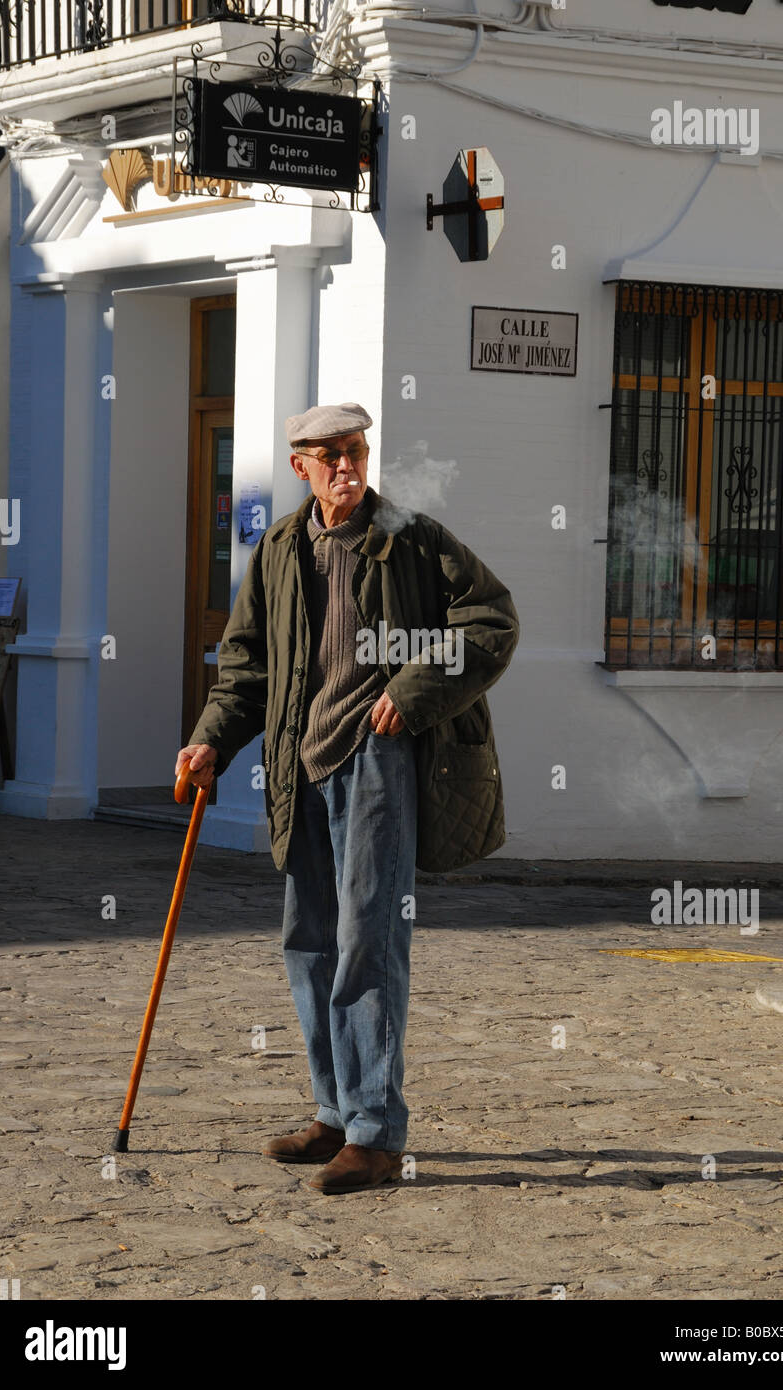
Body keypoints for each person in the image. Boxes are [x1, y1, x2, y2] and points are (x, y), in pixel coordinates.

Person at [176, 402, 519, 1194]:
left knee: (369, 942)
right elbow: (246, 666)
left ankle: (374, 1132)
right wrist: (210, 741)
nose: (345, 465)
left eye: (355, 450)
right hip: (300, 767)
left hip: (379, 763)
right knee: (310, 941)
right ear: (300, 466)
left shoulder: (414, 539)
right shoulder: (280, 549)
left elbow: (491, 620)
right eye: (327, 454)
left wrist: (416, 689)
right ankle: (333, 1112)